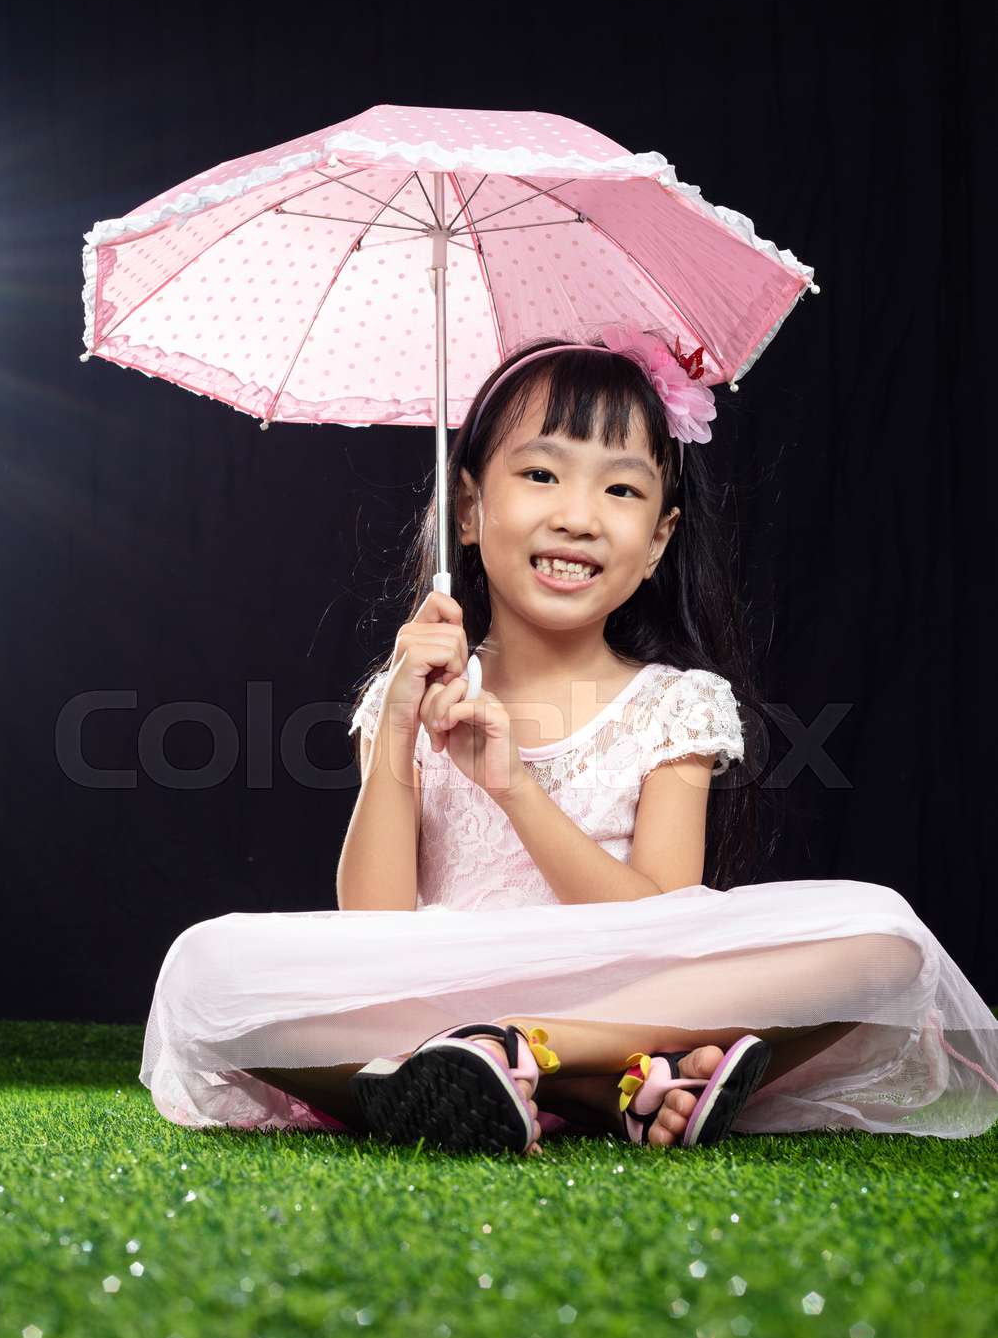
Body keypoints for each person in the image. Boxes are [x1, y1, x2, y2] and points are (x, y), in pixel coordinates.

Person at [138, 322, 998, 1157]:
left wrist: (513, 786)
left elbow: (660, 927)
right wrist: (398, 726)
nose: (578, 517)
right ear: (467, 509)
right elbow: (372, 929)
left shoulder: (675, 705)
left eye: (620, 491)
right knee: (207, 970)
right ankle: (601, 1090)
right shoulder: (409, 697)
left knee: (883, 944)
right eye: (541, 474)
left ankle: (525, 1049)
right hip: (434, 988)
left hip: (631, 992)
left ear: (657, 541)